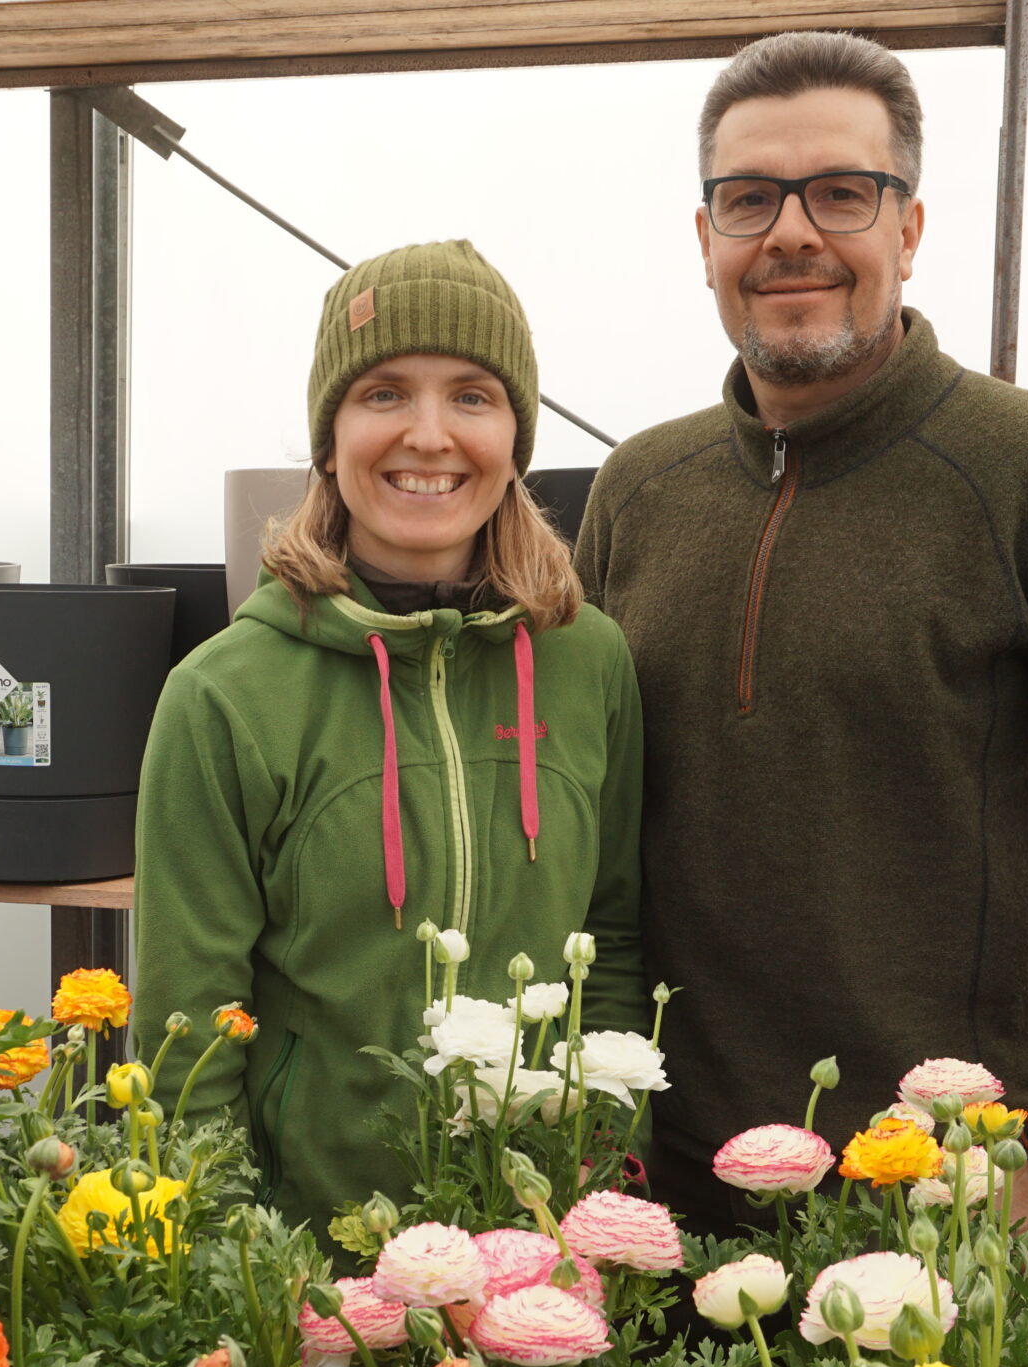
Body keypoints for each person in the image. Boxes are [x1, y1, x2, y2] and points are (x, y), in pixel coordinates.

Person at [573, 32, 1028, 1236]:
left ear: (906, 230)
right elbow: (586, 844)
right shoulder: (641, 488)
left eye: (842, 194)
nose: (791, 232)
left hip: (933, 1204)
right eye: (748, 200)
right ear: (706, 243)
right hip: (661, 1190)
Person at [135, 240, 647, 1229]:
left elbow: (614, 946)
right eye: (381, 394)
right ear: (327, 439)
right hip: (311, 1272)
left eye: (470, 395)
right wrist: (233, 1280)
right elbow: (184, 1032)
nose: (427, 435)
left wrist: (604, 1196)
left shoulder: (590, 664)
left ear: (514, 436)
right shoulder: (224, 694)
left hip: (536, 1261)